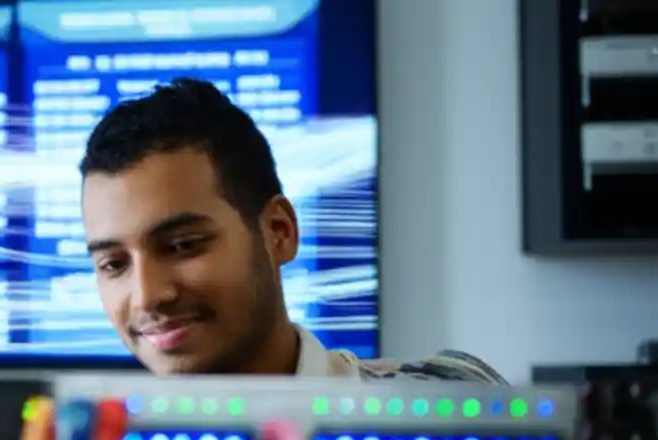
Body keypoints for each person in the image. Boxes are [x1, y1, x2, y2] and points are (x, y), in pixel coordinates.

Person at [79, 78, 504, 383]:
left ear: (278, 232)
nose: (148, 295)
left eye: (183, 245)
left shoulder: (453, 409)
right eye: (114, 265)